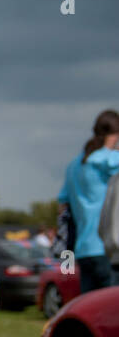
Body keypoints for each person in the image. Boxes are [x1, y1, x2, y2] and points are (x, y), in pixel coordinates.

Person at [58, 109, 119, 293]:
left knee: (92, 309)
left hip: (83, 249)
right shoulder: (109, 160)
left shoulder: (74, 165)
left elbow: (62, 205)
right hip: (108, 248)